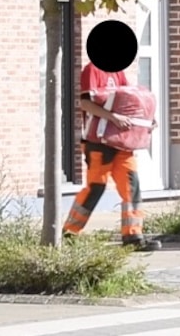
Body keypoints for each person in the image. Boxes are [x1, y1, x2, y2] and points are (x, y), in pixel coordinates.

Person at [63, 61, 162, 252]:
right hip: (98, 143)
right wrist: (113, 118)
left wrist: (146, 120)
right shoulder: (92, 70)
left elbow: (129, 100)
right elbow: (85, 103)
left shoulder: (118, 71)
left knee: (132, 188)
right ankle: (69, 234)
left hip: (123, 143)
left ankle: (133, 236)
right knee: (95, 189)